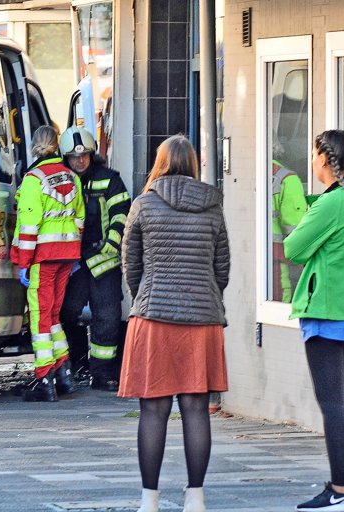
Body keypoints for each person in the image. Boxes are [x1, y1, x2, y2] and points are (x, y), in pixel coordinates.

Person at [119, 135, 229, 512]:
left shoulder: (144, 204)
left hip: (154, 318)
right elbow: (222, 268)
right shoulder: (213, 206)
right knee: (196, 409)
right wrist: (204, 296)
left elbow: (131, 265)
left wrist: (146, 296)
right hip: (202, 319)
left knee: (153, 410)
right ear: (193, 164)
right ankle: (195, 498)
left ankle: (149, 500)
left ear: (160, 163)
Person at [286, 130, 344, 512]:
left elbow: (293, 248)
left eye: (313, 154)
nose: (311, 161)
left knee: (332, 404)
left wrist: (311, 217)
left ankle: (339, 491)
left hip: (327, 310)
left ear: (324, 158)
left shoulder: (331, 203)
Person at [11, 125, 85, 402]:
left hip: (43, 257)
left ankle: (44, 379)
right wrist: (72, 251)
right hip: (66, 256)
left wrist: (24, 262)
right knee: (53, 315)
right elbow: (79, 219)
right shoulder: (71, 177)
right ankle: (63, 373)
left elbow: (29, 227)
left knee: (40, 317)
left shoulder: (34, 179)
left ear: (34, 146)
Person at [58, 126, 131, 392]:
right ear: (65, 157)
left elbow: (121, 212)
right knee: (65, 312)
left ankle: (102, 374)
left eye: (85, 155)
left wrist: (111, 244)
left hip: (103, 260)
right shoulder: (60, 180)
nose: (80, 161)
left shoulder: (109, 179)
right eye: (74, 157)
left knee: (107, 317)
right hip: (73, 262)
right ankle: (75, 363)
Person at [271, 150, 308, 302]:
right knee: (279, 303)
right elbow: (296, 230)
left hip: (256, 256)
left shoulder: (252, 173)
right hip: (278, 259)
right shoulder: (287, 178)